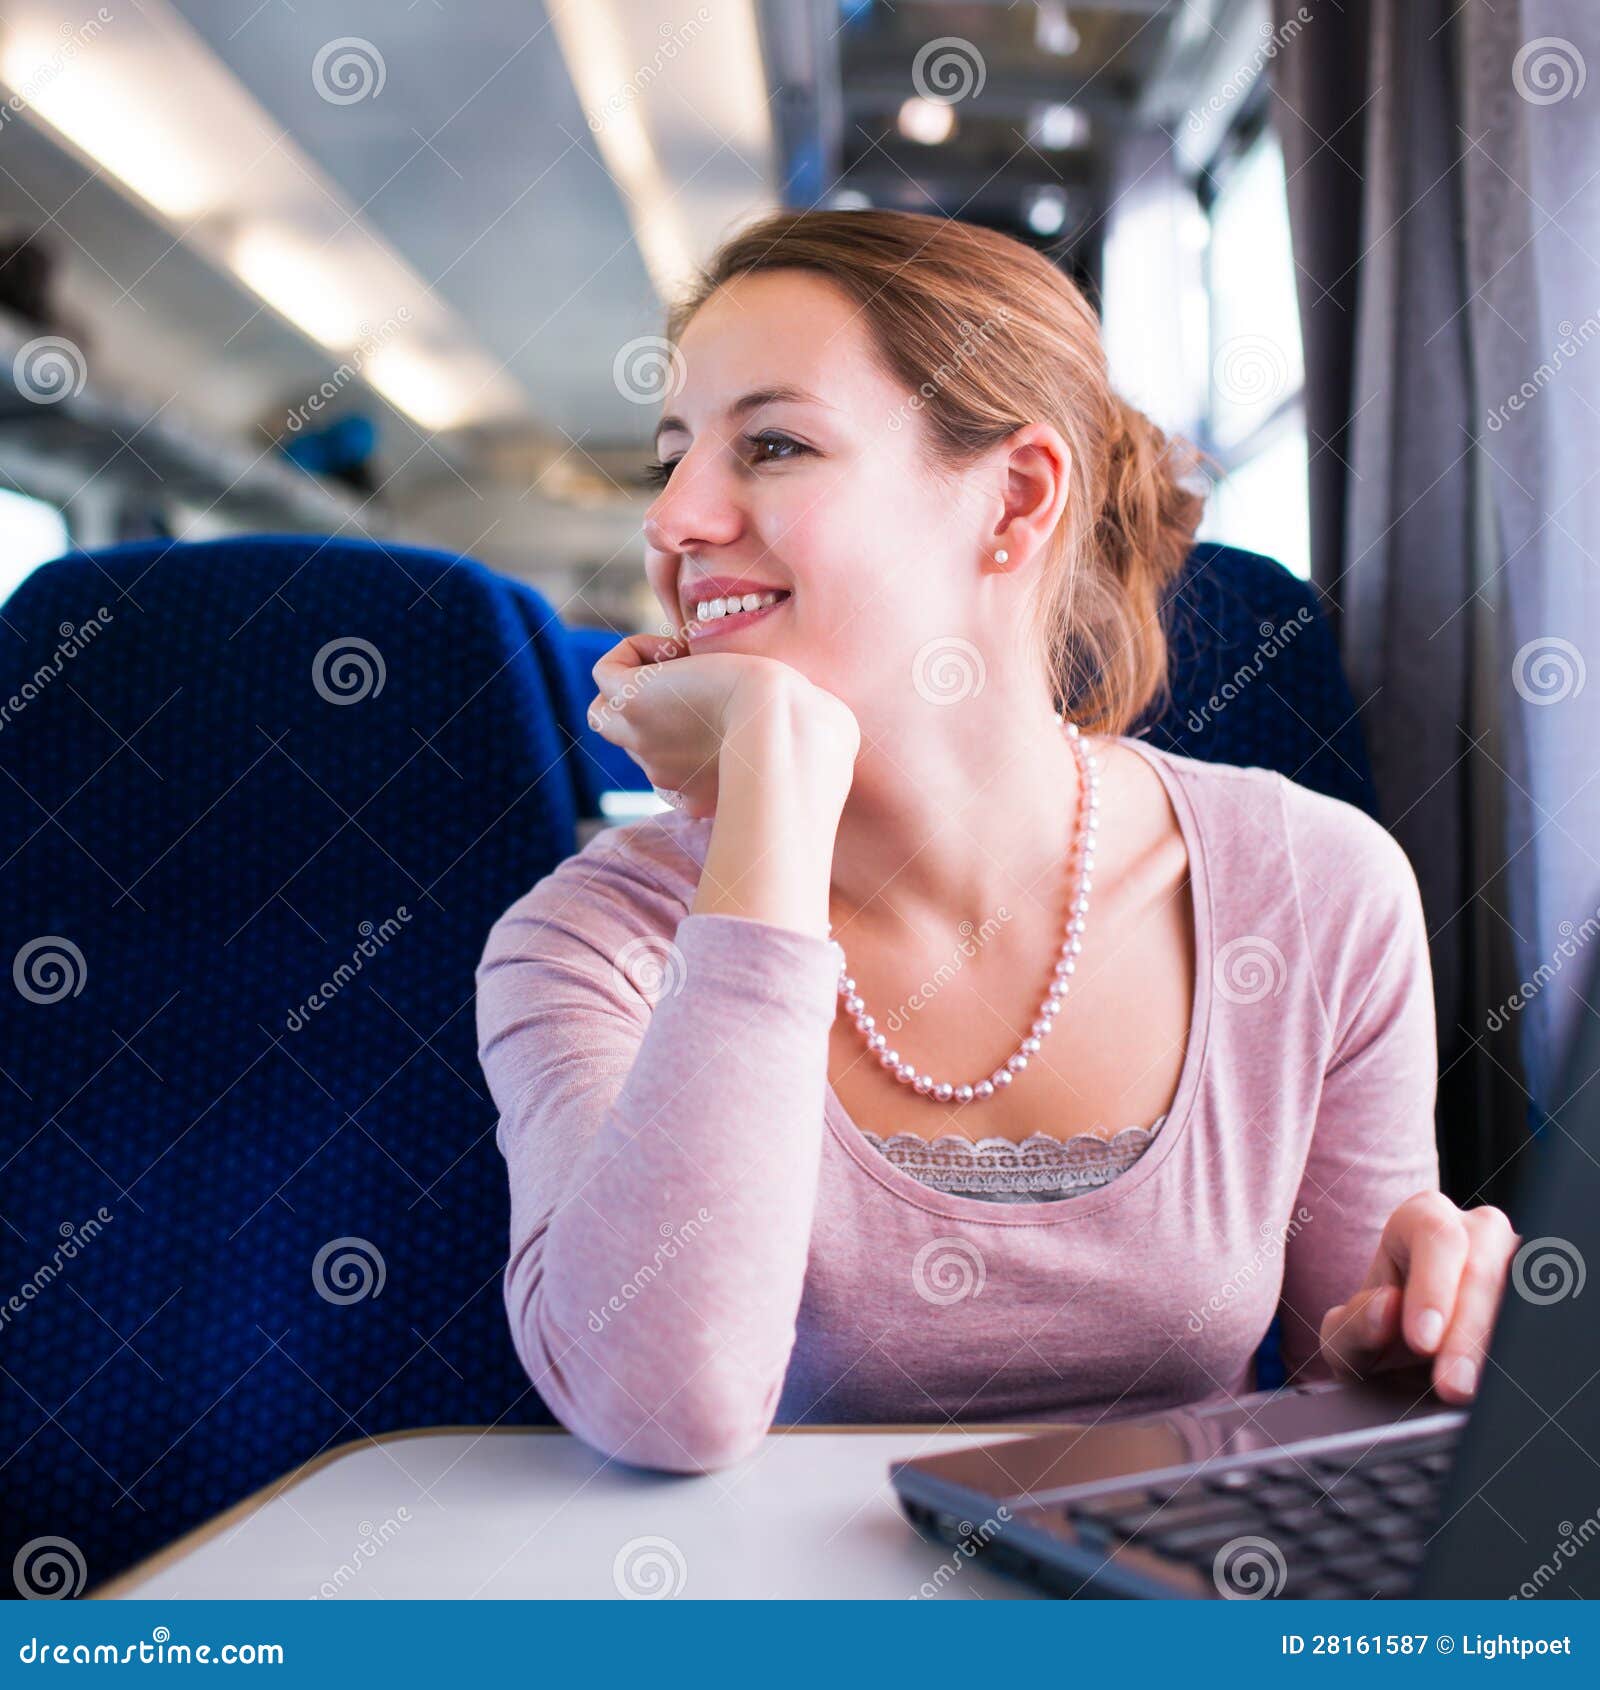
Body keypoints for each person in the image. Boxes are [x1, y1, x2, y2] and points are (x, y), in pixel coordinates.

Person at [475, 208, 1518, 1474]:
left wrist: (1414, 1352)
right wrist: (770, 782)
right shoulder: (589, 941)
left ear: (1014, 499)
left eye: (775, 444)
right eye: (673, 456)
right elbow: (663, 1405)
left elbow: (1339, 1401)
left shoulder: (1315, 888)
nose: (675, 518)